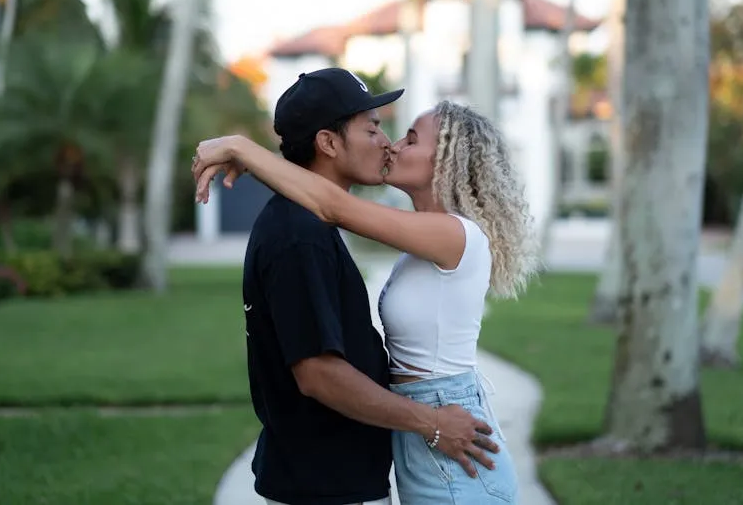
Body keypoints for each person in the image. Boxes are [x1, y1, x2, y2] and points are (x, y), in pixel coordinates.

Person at [192, 77, 540, 505]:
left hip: (448, 428)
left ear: (446, 161)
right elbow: (323, 204)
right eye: (374, 130)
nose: (390, 145)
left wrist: (244, 149)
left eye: (409, 138)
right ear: (329, 142)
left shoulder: (454, 235)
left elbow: (334, 207)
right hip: (427, 430)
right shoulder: (399, 242)